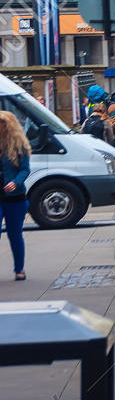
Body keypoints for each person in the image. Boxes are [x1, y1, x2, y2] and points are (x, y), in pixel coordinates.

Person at [0, 110, 31, 280]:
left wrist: (16, 182)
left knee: (15, 234)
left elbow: (25, 169)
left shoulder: (19, 144)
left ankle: (19, 269)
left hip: (15, 197)